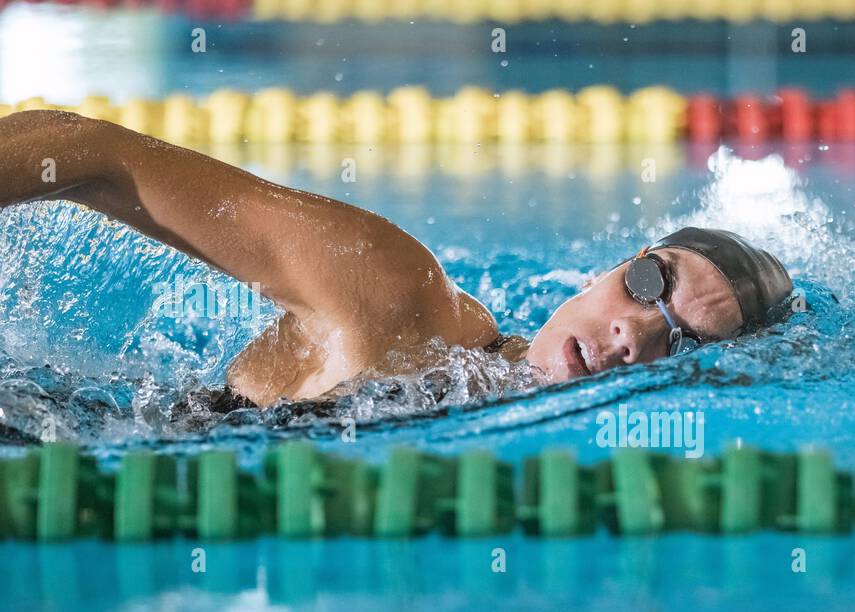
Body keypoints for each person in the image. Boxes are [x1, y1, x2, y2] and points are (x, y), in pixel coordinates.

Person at [0, 110, 793, 408]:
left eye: (681, 346)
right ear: (610, 268)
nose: (633, 338)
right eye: (647, 287)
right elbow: (88, 149)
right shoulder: (396, 291)